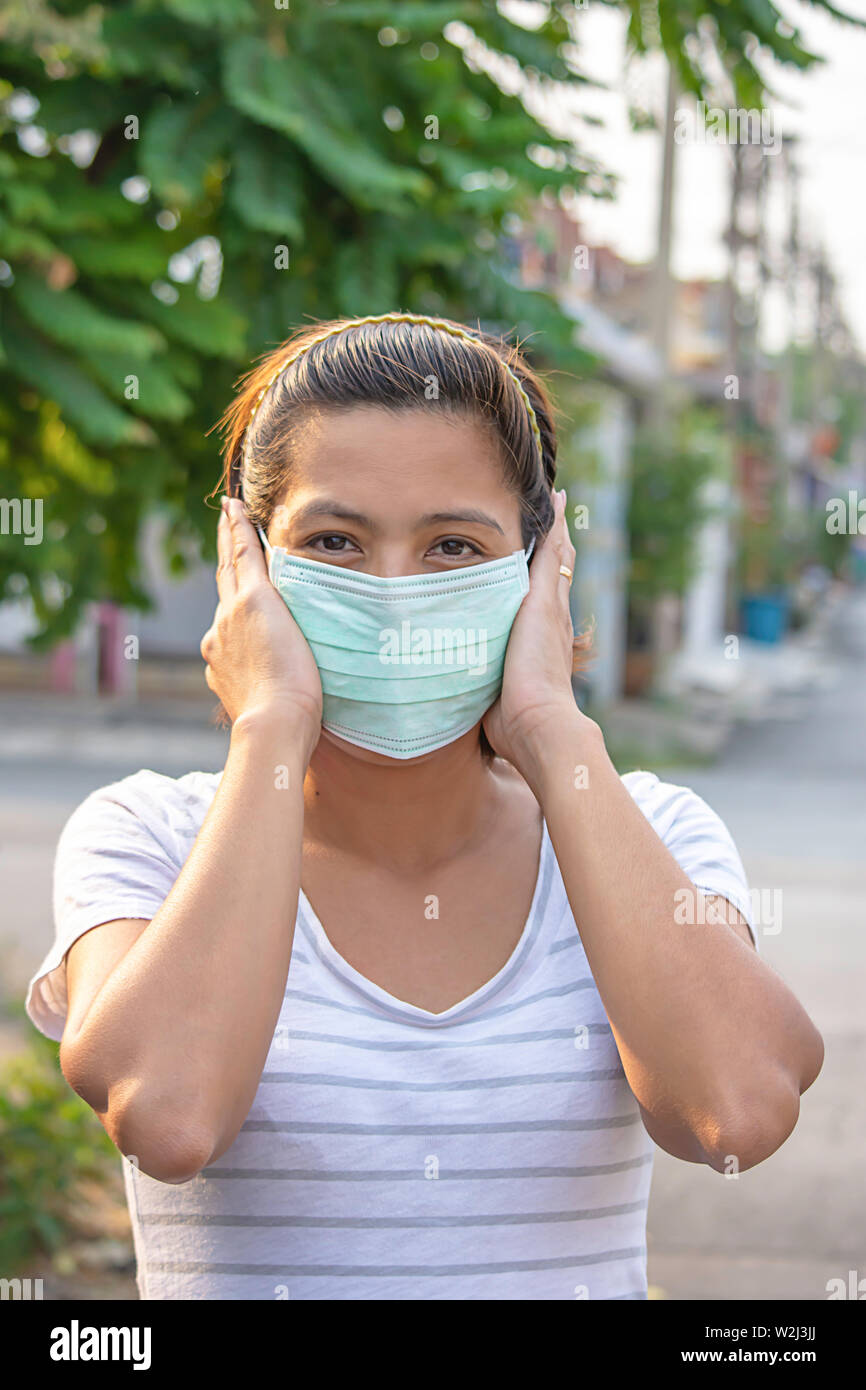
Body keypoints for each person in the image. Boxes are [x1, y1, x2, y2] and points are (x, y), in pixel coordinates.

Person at [26, 312, 823, 1301]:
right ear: (247, 563)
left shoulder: (647, 832)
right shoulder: (149, 834)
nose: (392, 594)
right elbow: (170, 1117)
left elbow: (737, 1110)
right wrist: (270, 724)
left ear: (540, 567)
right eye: (334, 540)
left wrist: (549, 726)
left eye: (452, 545)